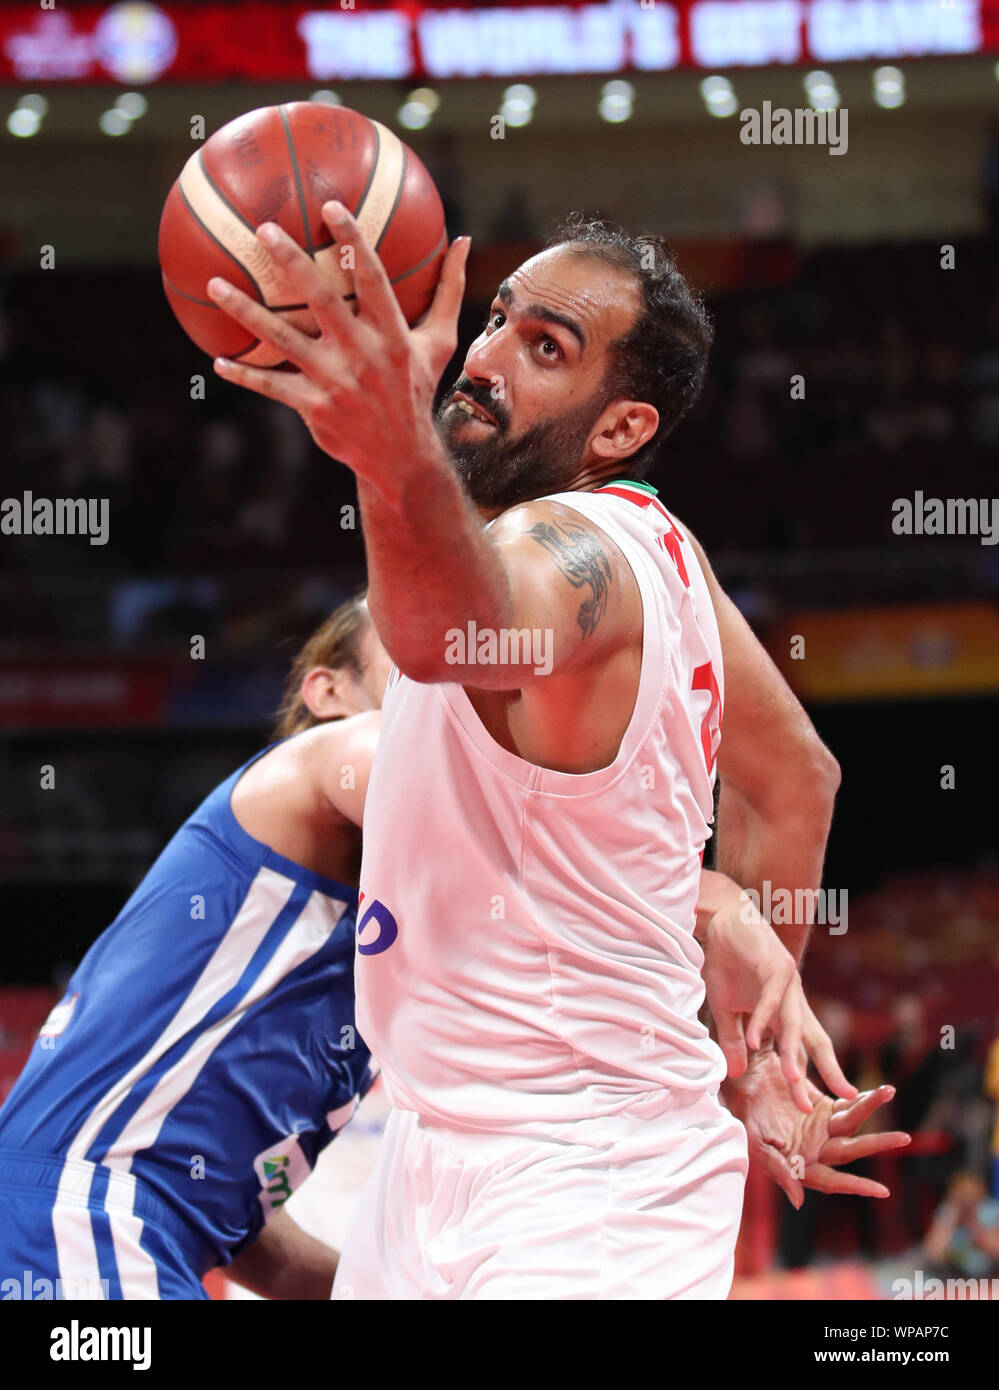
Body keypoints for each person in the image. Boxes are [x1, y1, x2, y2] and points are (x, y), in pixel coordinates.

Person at [208, 205, 911, 1298]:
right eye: (497, 319)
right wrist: (747, 1051)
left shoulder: (570, 543)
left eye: (547, 349)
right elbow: (793, 778)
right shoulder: (664, 549)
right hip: (444, 1151)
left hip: (581, 1178)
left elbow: (447, 637)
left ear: (620, 426)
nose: (485, 359)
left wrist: (384, 442)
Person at [0, 596, 386, 1300]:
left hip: (110, 1231)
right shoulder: (315, 768)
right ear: (329, 691)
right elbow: (421, 769)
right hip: (79, 1218)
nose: (448, 666)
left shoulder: (378, 939)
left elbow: (231, 1226)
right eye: (412, 645)